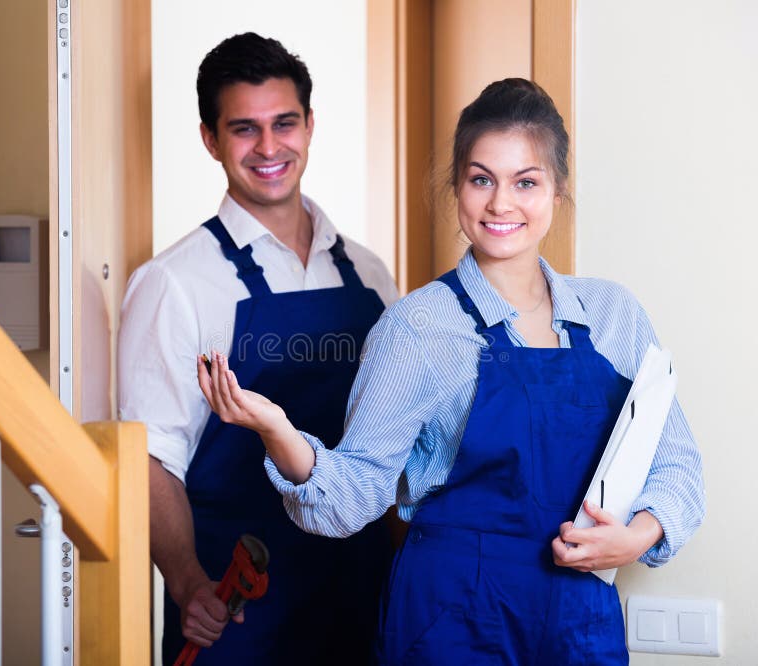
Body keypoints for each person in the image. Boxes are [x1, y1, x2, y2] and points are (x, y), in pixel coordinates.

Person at [198, 78, 705, 664]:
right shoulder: (416, 329)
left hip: (579, 623)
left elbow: (678, 464)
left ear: (557, 192)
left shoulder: (614, 315)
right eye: (481, 178)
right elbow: (354, 494)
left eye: (526, 182)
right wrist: (277, 429)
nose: (501, 204)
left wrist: (635, 537)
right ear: (457, 186)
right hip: (452, 622)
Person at [118, 33, 398, 665]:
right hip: (237, 596)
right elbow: (152, 458)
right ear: (210, 140)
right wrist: (186, 579)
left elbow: (399, 435)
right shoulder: (173, 284)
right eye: (244, 129)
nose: (269, 148)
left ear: (310, 126)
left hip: (360, 585)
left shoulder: (371, 274)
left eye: (284, 124)